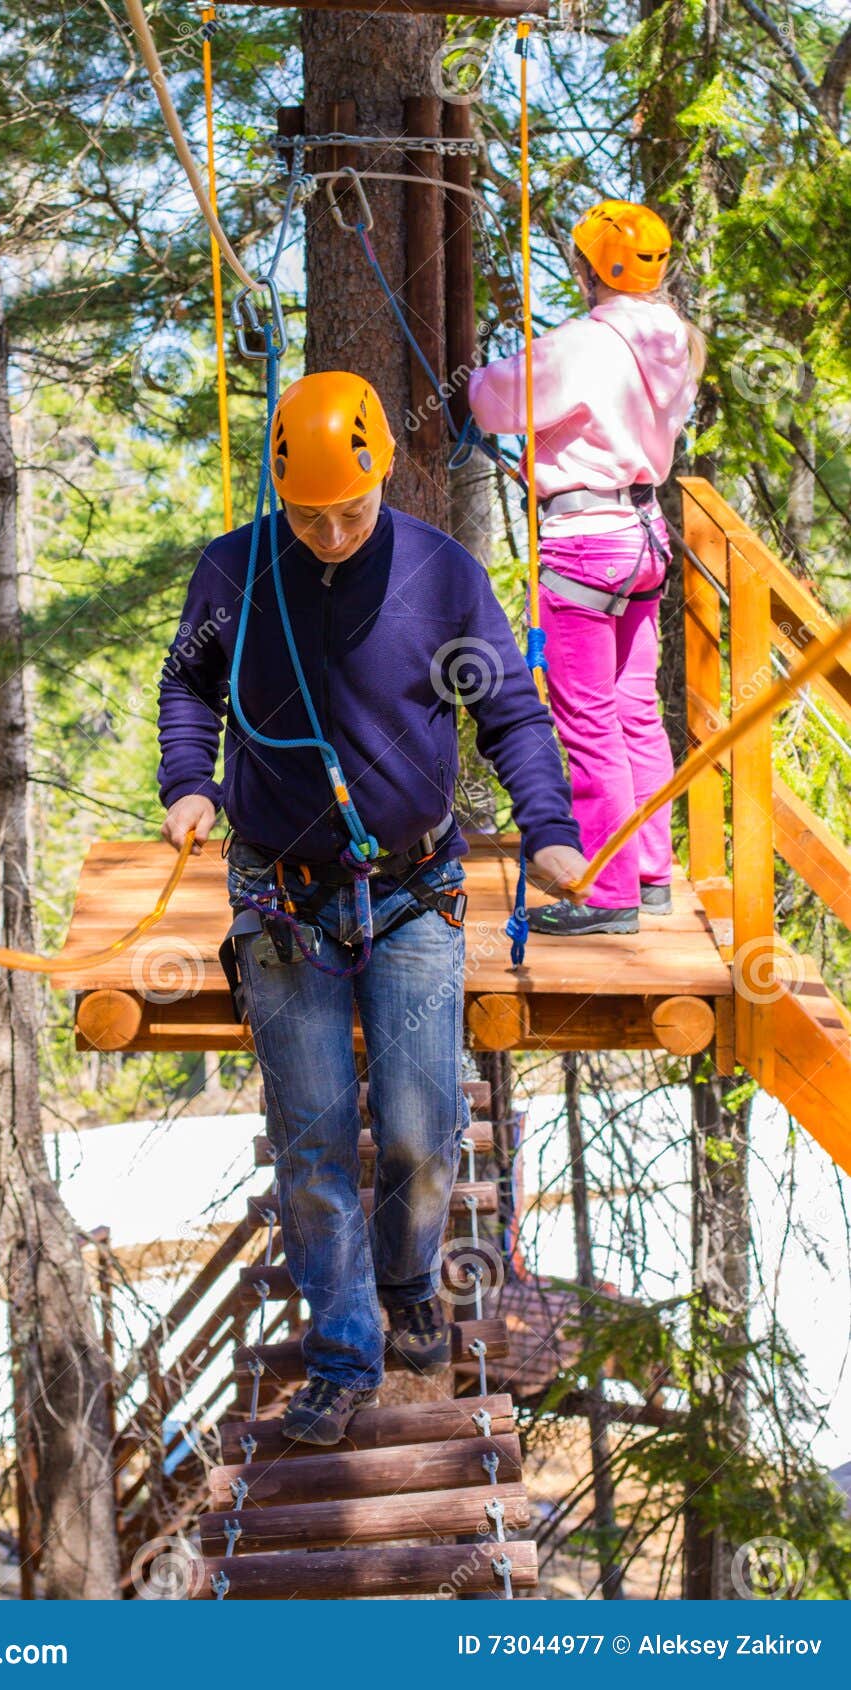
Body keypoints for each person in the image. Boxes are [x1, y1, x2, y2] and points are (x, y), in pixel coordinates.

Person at [157, 370, 587, 1446]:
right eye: (309, 515)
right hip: (282, 893)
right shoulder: (236, 573)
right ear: (280, 494)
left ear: (382, 477)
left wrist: (547, 828)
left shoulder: (439, 578)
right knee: (310, 1144)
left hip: (412, 888)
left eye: (350, 509)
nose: (334, 533)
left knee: (417, 1132)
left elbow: (509, 712)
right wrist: (187, 781)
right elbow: (187, 684)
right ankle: (343, 1351)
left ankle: (406, 1278)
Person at [469, 199, 706, 936]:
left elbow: (494, 402)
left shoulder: (585, 344)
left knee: (588, 720)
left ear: (587, 267)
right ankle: (650, 872)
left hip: (586, 543)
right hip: (641, 534)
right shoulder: (673, 340)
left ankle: (605, 891)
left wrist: (477, 380)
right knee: (636, 713)